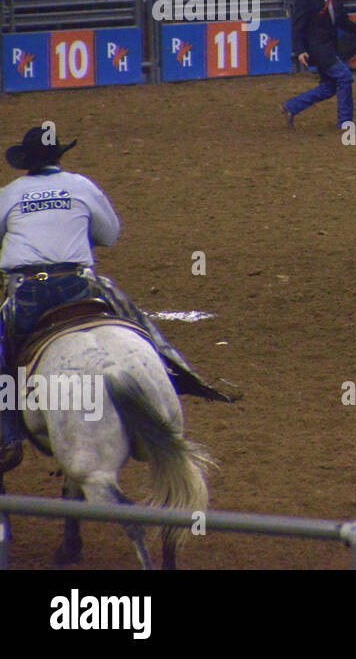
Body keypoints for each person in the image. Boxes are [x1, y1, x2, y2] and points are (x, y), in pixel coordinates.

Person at [0, 126, 229, 470]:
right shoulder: (82, 185)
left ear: (25, 162)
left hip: (28, 291)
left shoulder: (10, 193)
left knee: (2, 351)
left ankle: (8, 436)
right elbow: (109, 234)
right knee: (135, 320)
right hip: (78, 284)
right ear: (60, 156)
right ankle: (175, 371)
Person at [281, 0, 356, 131]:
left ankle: (292, 107)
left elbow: (342, 21)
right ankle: (345, 122)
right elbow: (298, 26)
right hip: (318, 49)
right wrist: (300, 50)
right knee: (344, 77)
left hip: (328, 49)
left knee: (329, 87)